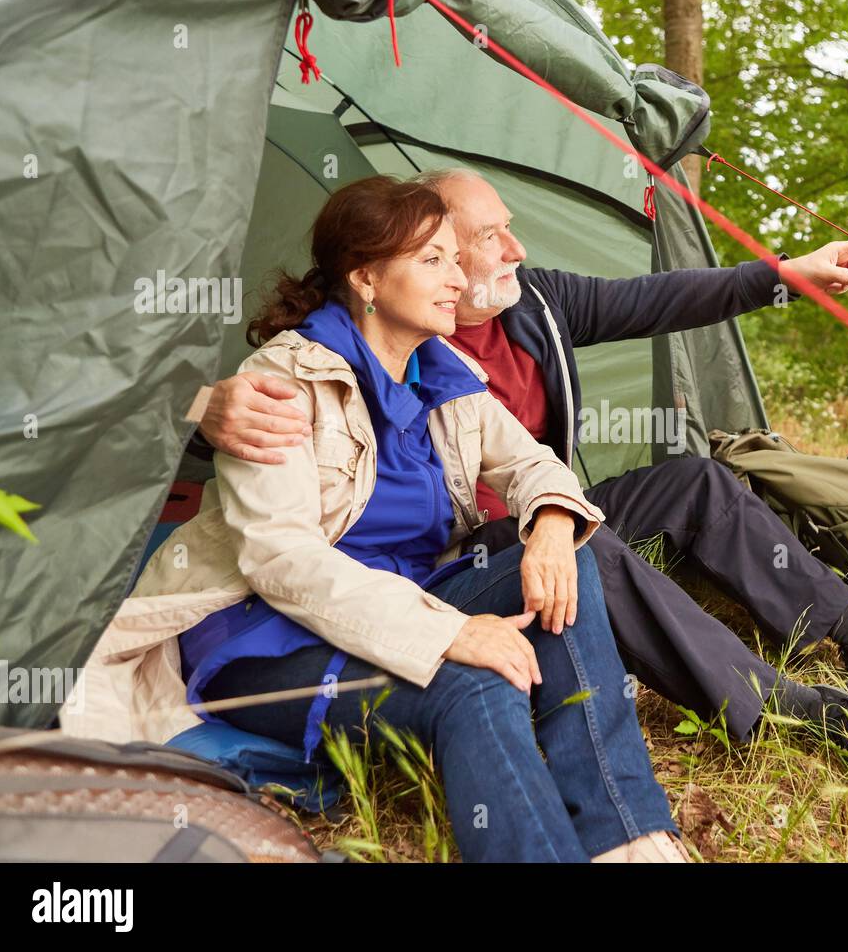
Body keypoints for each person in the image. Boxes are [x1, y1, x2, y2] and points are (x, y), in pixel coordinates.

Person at [194, 169, 848, 779]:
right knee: (592, 549)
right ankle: (802, 718)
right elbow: (284, 435)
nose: (513, 249)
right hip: (466, 551)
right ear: (407, 259)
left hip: (548, 507)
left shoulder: (536, 302)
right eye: (481, 241)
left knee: (692, 480)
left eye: (501, 233)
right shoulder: (369, 348)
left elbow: (660, 297)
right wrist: (200, 405)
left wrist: (783, 274)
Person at [66, 177, 688, 863]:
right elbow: (283, 564)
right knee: (475, 682)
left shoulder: (444, 373)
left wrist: (547, 529)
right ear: (364, 276)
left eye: (456, 259)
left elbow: (533, 465)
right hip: (267, 639)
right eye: (432, 260)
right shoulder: (284, 383)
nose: (458, 279)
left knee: (575, 558)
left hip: (405, 603)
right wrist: (450, 632)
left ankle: (627, 836)